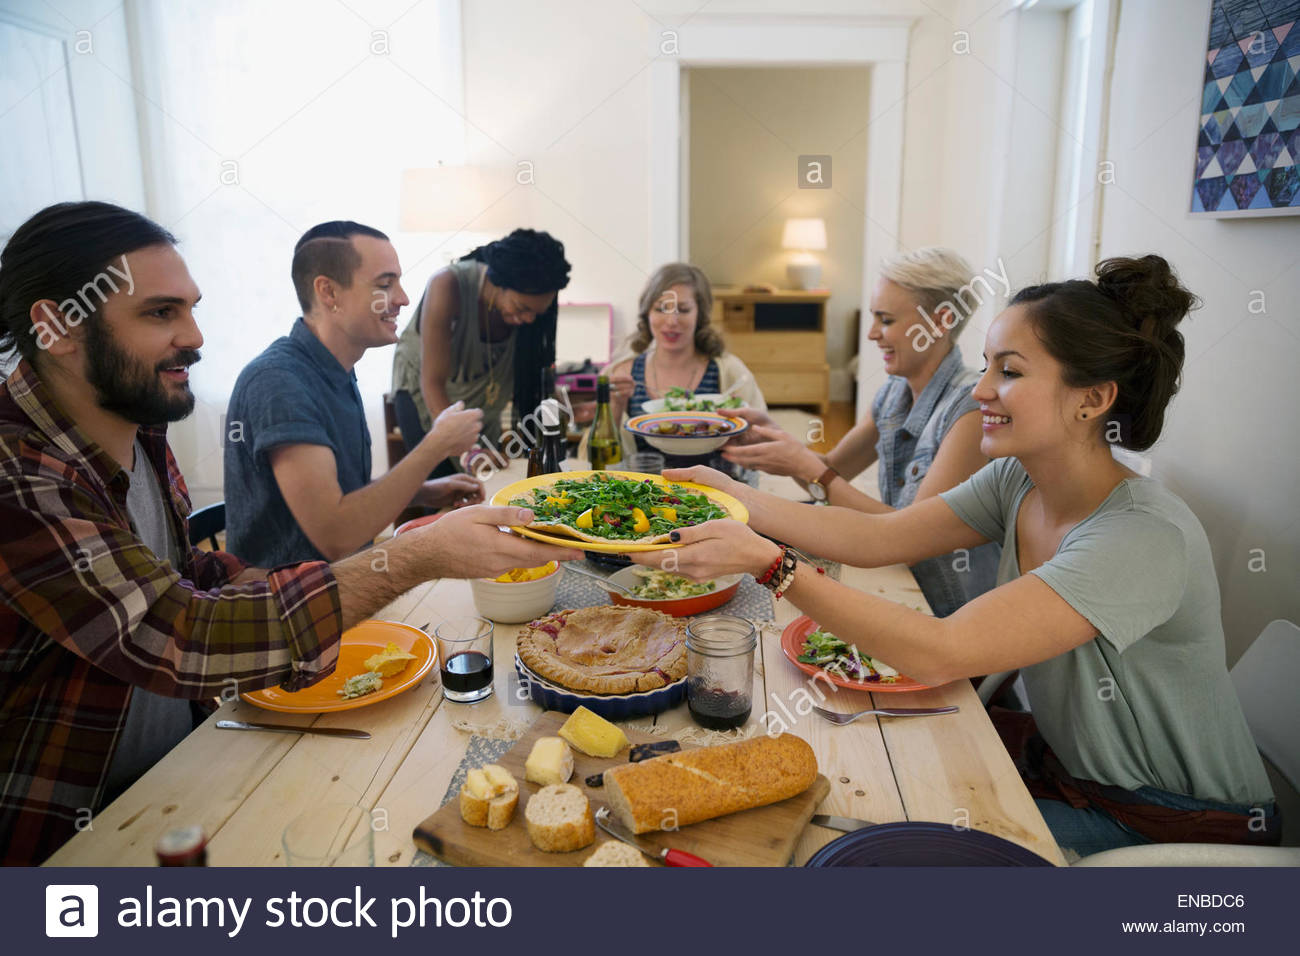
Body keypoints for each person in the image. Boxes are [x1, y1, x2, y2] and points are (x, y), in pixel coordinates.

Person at [635, 255, 1278, 855]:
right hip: (1067, 769)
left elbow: (940, 651)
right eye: (990, 365)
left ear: (1093, 399)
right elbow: (882, 537)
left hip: (1167, 821)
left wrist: (770, 564)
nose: (980, 391)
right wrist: (726, 498)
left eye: (1011, 372)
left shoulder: (1139, 537)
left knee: (876, 842)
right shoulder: (1018, 479)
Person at [0, 202, 574, 864]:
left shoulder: (138, 426)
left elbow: (184, 575)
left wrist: (416, 508)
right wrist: (416, 552)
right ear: (58, 327)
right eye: (161, 313)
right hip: (71, 829)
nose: (195, 336)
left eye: (190, 308)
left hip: (190, 760)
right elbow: (181, 628)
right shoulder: (19, 474)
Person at [721, 248, 996, 618]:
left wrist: (806, 466)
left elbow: (912, 540)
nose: (871, 334)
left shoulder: (970, 409)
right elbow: (835, 471)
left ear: (941, 320)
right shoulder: (895, 392)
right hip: (899, 580)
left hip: (947, 611)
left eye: (885, 319)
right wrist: (781, 447)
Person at [225, 221, 485, 567]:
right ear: (329, 292)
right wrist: (435, 446)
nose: (404, 299)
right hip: (290, 609)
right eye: (385, 284)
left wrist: (424, 489)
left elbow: (337, 490)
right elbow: (336, 536)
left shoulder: (336, 371)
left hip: (340, 586)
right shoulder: (278, 382)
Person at [390, 229, 571, 466]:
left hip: (482, 409)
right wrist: (470, 453)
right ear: (499, 282)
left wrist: (570, 406)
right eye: (521, 307)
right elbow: (432, 383)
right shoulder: (447, 285)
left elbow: (533, 377)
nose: (528, 319)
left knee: (489, 485)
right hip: (427, 400)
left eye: (536, 314)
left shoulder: (525, 316)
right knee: (446, 492)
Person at [605, 263, 765, 456]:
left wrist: (743, 426)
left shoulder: (730, 372)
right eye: (661, 309)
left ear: (700, 314)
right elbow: (596, 459)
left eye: (683, 309)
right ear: (647, 313)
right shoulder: (621, 372)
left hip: (718, 483)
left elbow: (762, 443)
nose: (671, 321)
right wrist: (614, 406)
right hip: (644, 484)